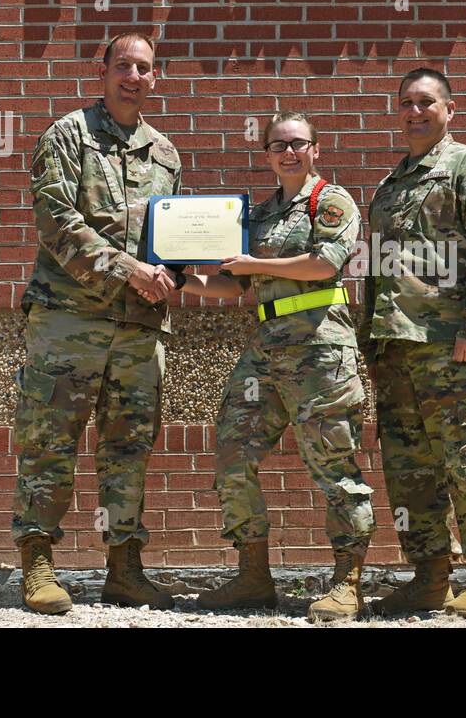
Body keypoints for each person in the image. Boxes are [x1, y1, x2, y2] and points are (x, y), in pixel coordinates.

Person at [156, 113, 375, 621]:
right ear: (268, 155)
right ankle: (252, 576)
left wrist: (254, 264)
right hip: (268, 345)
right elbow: (234, 286)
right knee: (233, 451)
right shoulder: (258, 214)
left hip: (320, 345)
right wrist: (180, 278)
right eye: (278, 145)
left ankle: (347, 583)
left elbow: (326, 263)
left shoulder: (331, 200)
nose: (289, 152)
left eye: (298, 143)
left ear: (316, 149)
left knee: (333, 466)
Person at [11, 32, 179, 615]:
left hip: (138, 330)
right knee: (49, 441)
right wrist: (130, 270)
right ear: (102, 71)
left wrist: (178, 271)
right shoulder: (68, 135)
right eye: (123, 66)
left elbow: (172, 238)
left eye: (145, 68)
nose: (134, 76)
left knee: (129, 447)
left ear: (155, 78)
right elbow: (56, 221)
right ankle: (37, 563)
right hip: (68, 320)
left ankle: (125, 567)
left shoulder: (166, 154)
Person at [360, 68, 466, 618]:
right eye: (405, 103)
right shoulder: (390, 184)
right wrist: (371, 342)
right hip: (397, 347)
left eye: (426, 102)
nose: (415, 112)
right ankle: (430, 575)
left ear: (450, 109)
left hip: (452, 345)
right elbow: (378, 270)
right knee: (410, 468)